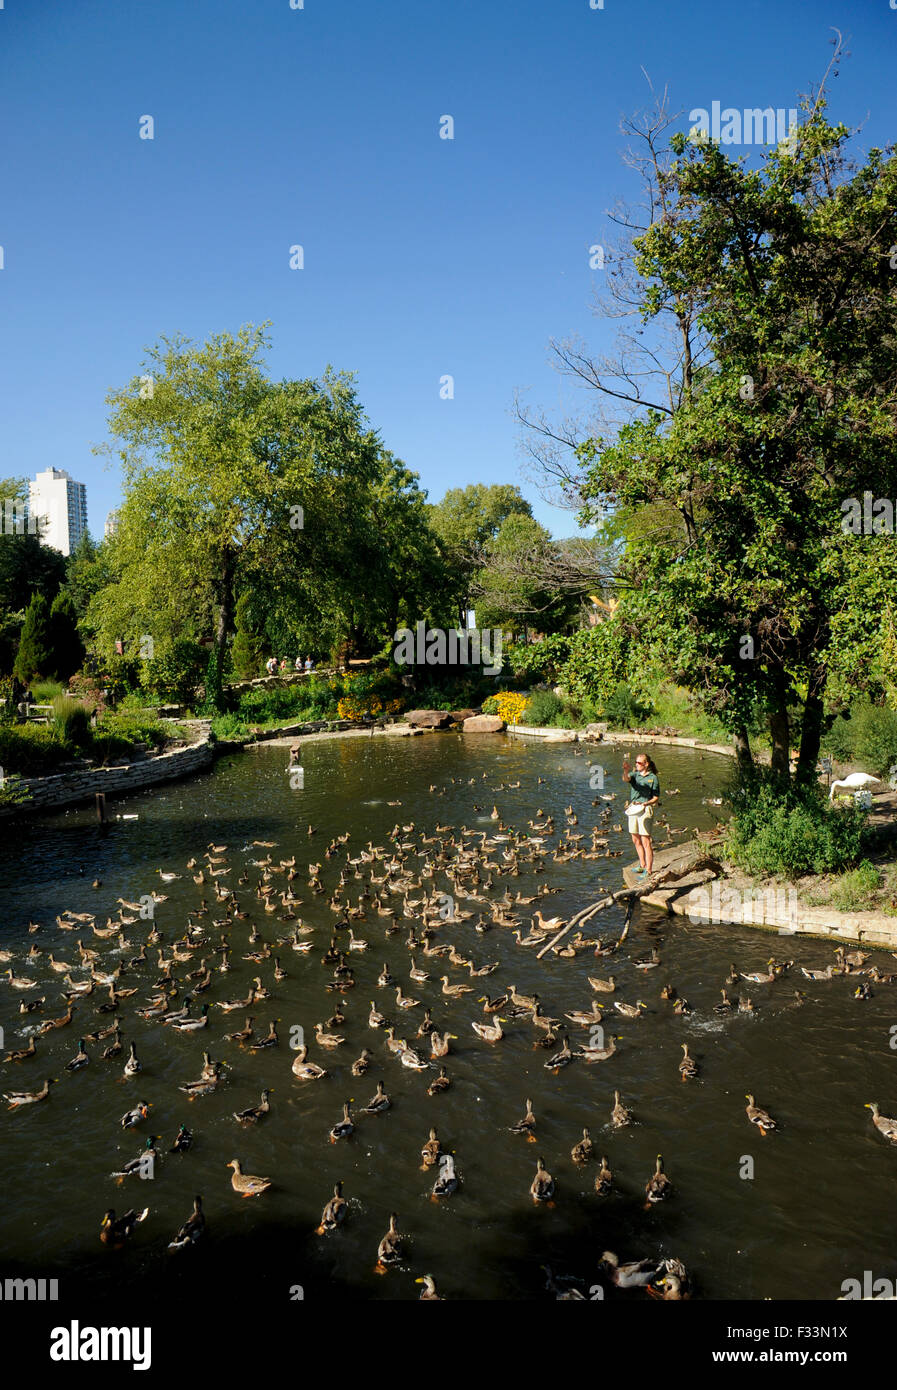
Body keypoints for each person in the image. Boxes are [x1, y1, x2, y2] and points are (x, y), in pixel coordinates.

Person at [622, 751, 660, 877]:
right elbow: (626, 779)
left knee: (645, 841)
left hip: (645, 809)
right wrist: (626, 771)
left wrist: (646, 804)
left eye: (639, 762)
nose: (636, 764)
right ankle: (642, 864)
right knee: (635, 839)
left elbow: (656, 797)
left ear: (646, 764)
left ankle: (648, 870)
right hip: (633, 808)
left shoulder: (653, 778)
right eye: (636, 762)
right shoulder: (635, 775)